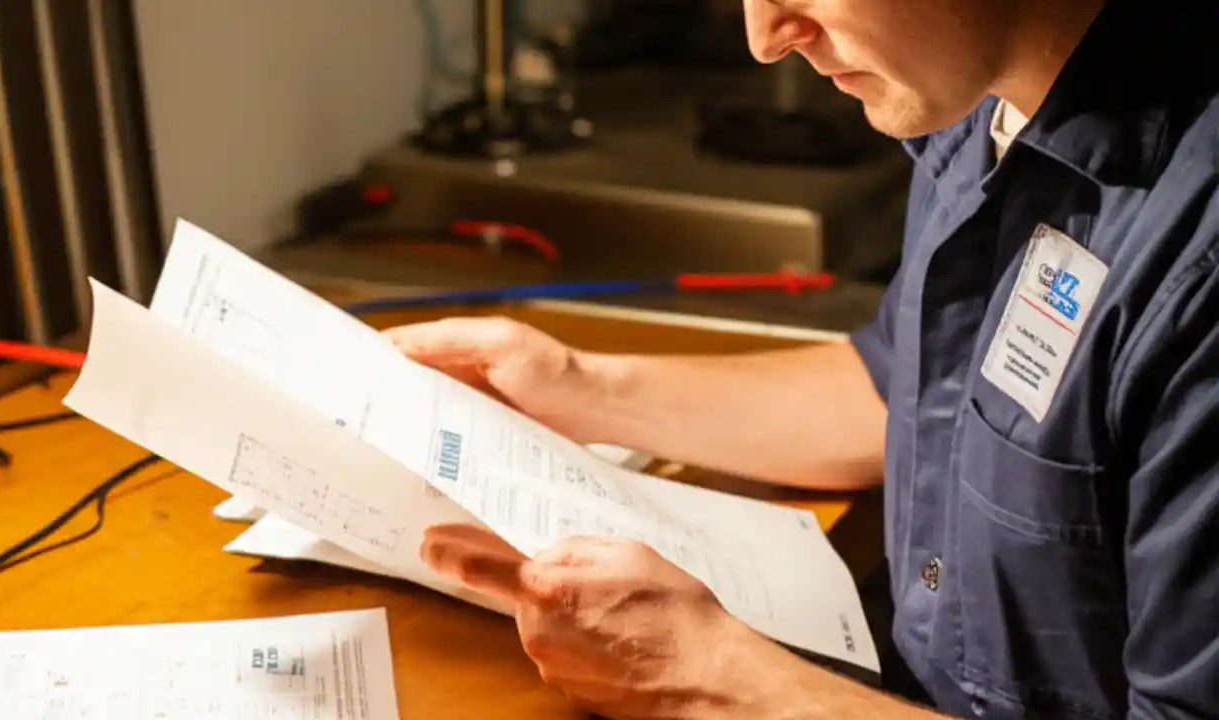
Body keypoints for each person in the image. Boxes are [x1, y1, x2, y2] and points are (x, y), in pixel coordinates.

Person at [385, 0, 1219, 717]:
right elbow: (902, 389)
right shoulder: (980, 103)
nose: (767, 36)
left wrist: (719, 681)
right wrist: (577, 385)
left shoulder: (1196, 260)